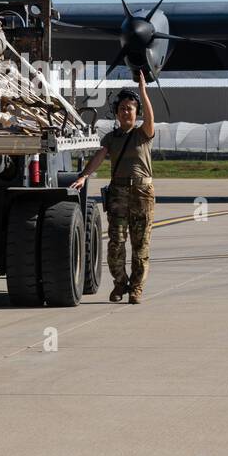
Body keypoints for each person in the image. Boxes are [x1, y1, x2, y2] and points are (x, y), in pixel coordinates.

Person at [69, 70, 155, 304]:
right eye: (123, 108)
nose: (126, 112)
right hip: (118, 193)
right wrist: (85, 176)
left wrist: (143, 91)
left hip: (142, 193)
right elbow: (99, 156)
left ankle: (136, 289)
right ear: (117, 113)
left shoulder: (143, 134)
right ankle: (120, 283)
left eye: (131, 108)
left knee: (140, 246)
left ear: (136, 112)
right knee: (116, 244)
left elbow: (150, 118)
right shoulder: (111, 138)